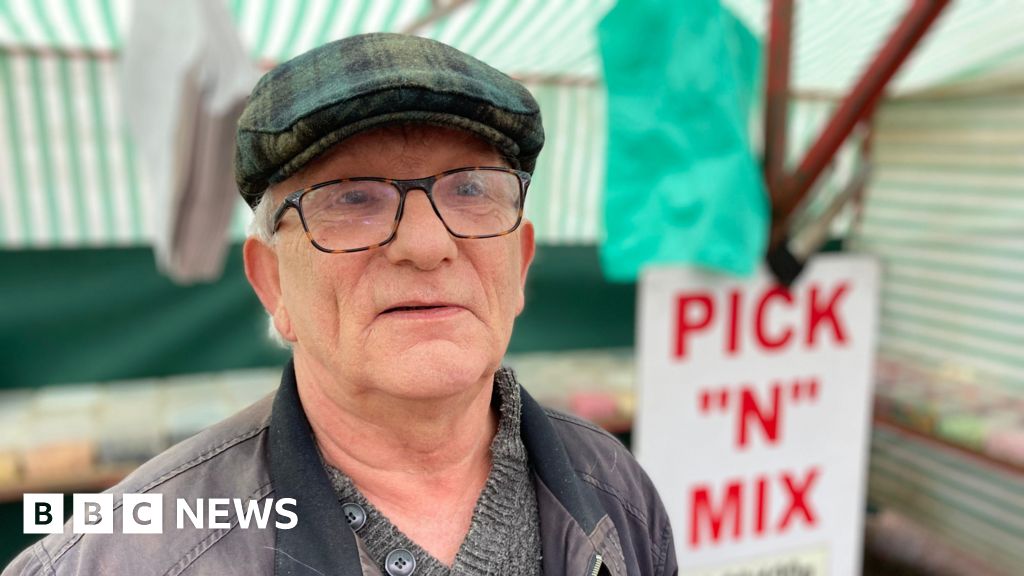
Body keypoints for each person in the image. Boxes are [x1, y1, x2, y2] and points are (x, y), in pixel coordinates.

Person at [4, 33, 676, 576]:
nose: (425, 243)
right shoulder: (116, 558)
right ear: (271, 284)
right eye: (352, 198)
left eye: (471, 190)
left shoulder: (619, 492)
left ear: (520, 263)